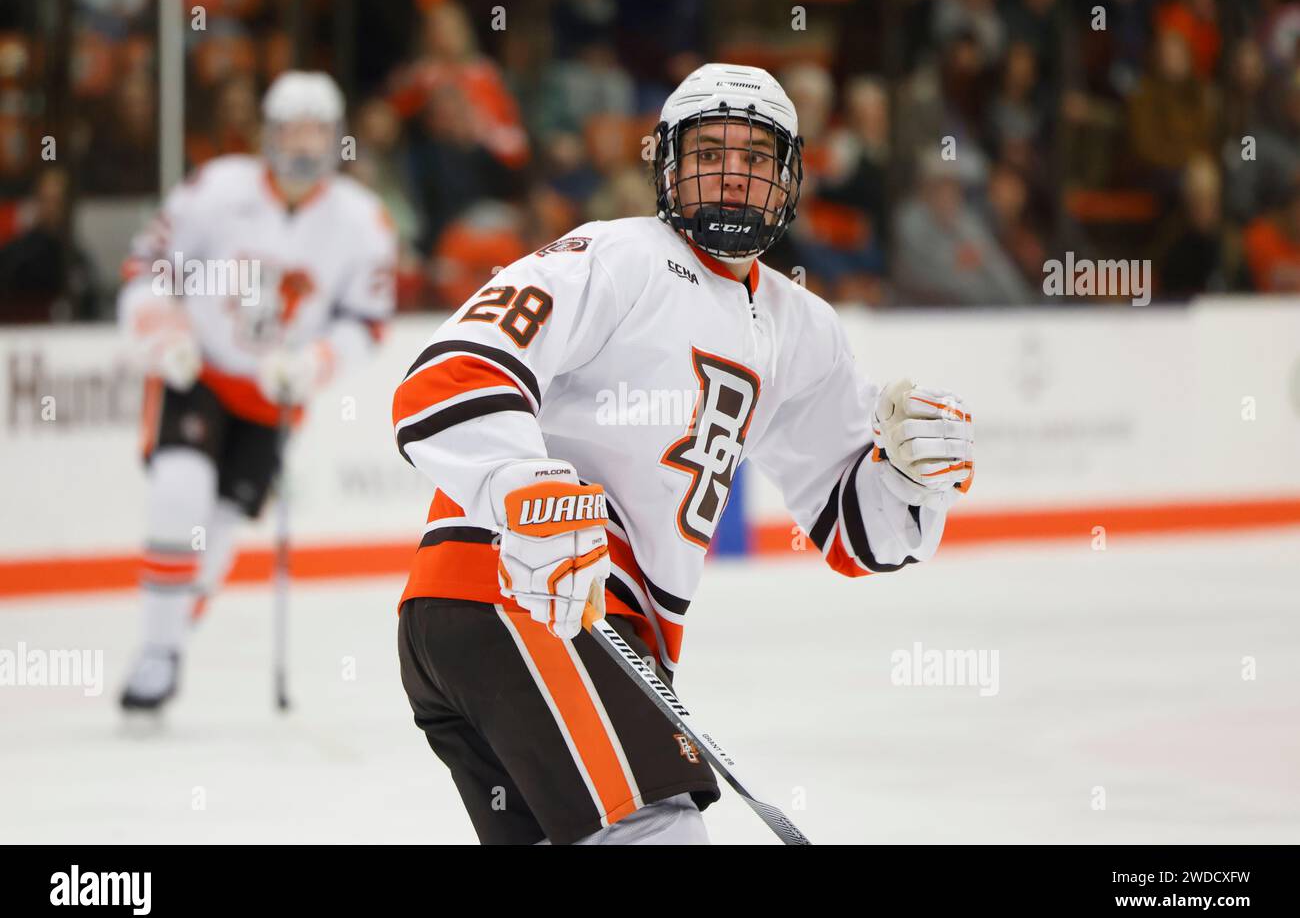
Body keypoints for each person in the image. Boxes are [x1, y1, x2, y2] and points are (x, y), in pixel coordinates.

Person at [392, 63, 974, 845]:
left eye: (756, 159)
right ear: (668, 166)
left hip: (576, 628)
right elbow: (449, 372)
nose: (733, 177)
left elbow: (854, 529)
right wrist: (518, 485)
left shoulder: (802, 328)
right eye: (710, 154)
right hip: (522, 595)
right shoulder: (614, 257)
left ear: (790, 174)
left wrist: (907, 477)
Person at [117, 71, 397, 711]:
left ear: (336, 136)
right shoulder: (216, 190)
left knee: (214, 535)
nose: (303, 144)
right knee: (178, 491)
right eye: (292, 128)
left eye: (316, 130)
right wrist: (164, 334)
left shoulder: (360, 221)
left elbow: (367, 320)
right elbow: (147, 267)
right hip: (201, 373)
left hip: (273, 396)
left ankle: (170, 641)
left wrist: (316, 362)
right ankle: (155, 655)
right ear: (268, 133)